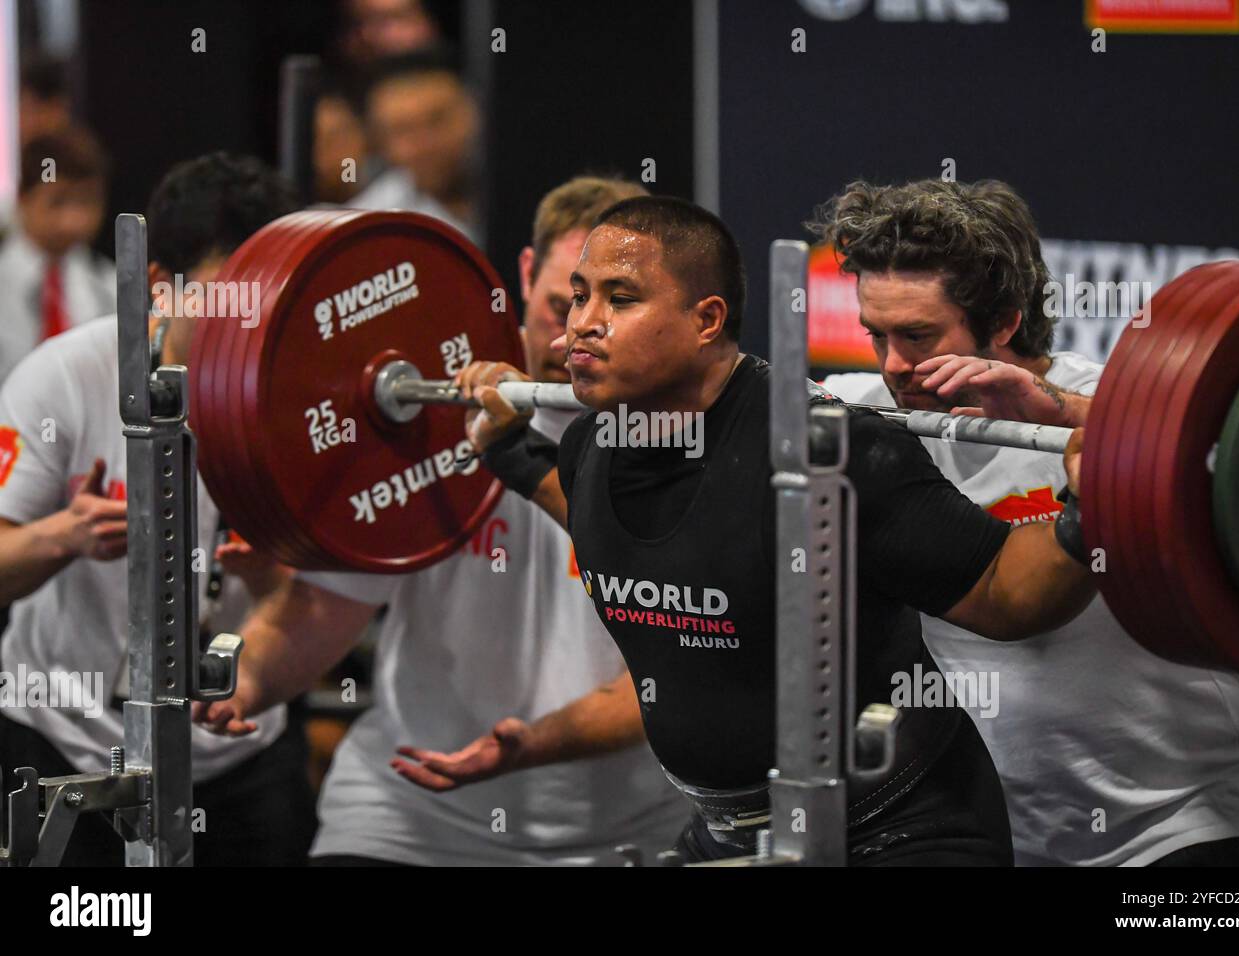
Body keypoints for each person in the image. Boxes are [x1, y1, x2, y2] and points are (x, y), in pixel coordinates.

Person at [455, 195, 1103, 865]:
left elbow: (1006, 591)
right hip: (731, 837)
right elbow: (655, 549)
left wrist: (1093, 495)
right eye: (580, 297)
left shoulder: (832, 451)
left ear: (706, 320)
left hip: (902, 830)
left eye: (620, 300)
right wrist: (510, 453)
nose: (581, 324)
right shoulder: (590, 447)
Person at [194, 176, 688, 867]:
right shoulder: (431, 414)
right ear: (523, 272)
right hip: (408, 814)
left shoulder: (685, 452)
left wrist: (529, 745)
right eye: (561, 304)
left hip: (618, 834)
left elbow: (674, 676)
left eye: (614, 311)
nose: (577, 333)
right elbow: (326, 606)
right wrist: (247, 681)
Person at [815, 178, 1239, 866]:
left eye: (918, 336)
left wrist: (1067, 412)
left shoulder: (1117, 403)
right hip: (1007, 838)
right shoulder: (856, 420)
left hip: (1192, 828)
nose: (894, 365)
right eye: (876, 334)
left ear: (1006, 320)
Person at [0, 152, 315, 866]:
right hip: (63, 740)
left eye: (270, 294)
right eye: (226, 294)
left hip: (238, 749)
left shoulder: (310, 399)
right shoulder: (66, 376)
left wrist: (272, 585)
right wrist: (62, 535)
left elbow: (329, 607)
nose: (250, 321)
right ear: (158, 288)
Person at [0, 128, 115, 384]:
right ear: (22, 197)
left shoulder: (109, 284)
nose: (72, 221)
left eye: (86, 202)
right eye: (58, 201)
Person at [351, 48, 479, 240]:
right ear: (380, 144)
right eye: (402, 130)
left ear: (475, 114)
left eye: (437, 120)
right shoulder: (368, 227)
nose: (424, 144)